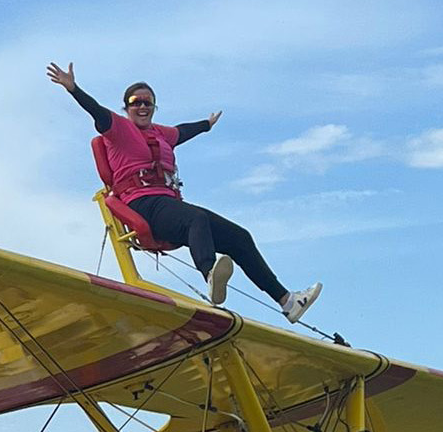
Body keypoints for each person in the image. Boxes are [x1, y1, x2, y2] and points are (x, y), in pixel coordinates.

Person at [46, 62, 321, 321]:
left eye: (147, 102)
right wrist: (73, 88)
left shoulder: (161, 134)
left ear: (154, 107)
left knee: (239, 236)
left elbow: (183, 131)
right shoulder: (117, 129)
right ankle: (209, 273)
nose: (142, 106)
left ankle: (287, 302)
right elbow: (95, 109)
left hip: (167, 204)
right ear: (126, 107)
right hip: (141, 204)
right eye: (135, 102)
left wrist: (206, 125)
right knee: (195, 219)